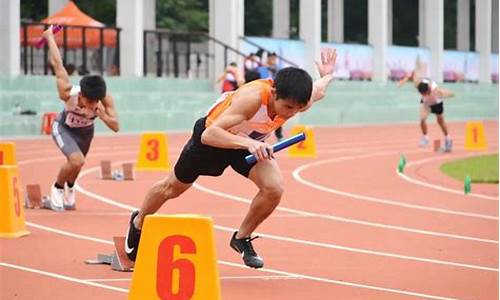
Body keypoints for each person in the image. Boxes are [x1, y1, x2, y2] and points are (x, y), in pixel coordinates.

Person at [125, 48, 337, 269]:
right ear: (274, 92)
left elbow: (318, 91)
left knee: (274, 188)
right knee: (172, 188)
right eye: (288, 107)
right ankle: (138, 221)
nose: (290, 113)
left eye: (298, 109)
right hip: (214, 139)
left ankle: (241, 237)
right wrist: (250, 144)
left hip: (248, 145)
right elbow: (210, 134)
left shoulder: (300, 99)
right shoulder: (252, 99)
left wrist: (327, 75)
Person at [42, 25, 120, 211]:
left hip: (85, 132)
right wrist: (49, 37)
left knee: (76, 167)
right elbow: (57, 63)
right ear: (82, 94)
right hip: (63, 128)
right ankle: (57, 188)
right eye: (89, 101)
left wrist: (102, 116)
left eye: (96, 101)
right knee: (77, 160)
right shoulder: (68, 93)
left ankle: (70, 187)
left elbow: (116, 126)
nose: (93, 105)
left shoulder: (105, 100)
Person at [398, 67, 455, 151]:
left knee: (440, 122)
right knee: (422, 119)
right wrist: (404, 80)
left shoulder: (436, 91)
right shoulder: (418, 85)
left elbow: (445, 93)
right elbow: (411, 77)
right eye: (422, 94)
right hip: (426, 104)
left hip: (436, 103)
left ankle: (448, 138)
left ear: (428, 90)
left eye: (425, 93)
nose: (424, 95)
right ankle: (425, 137)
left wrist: (451, 94)